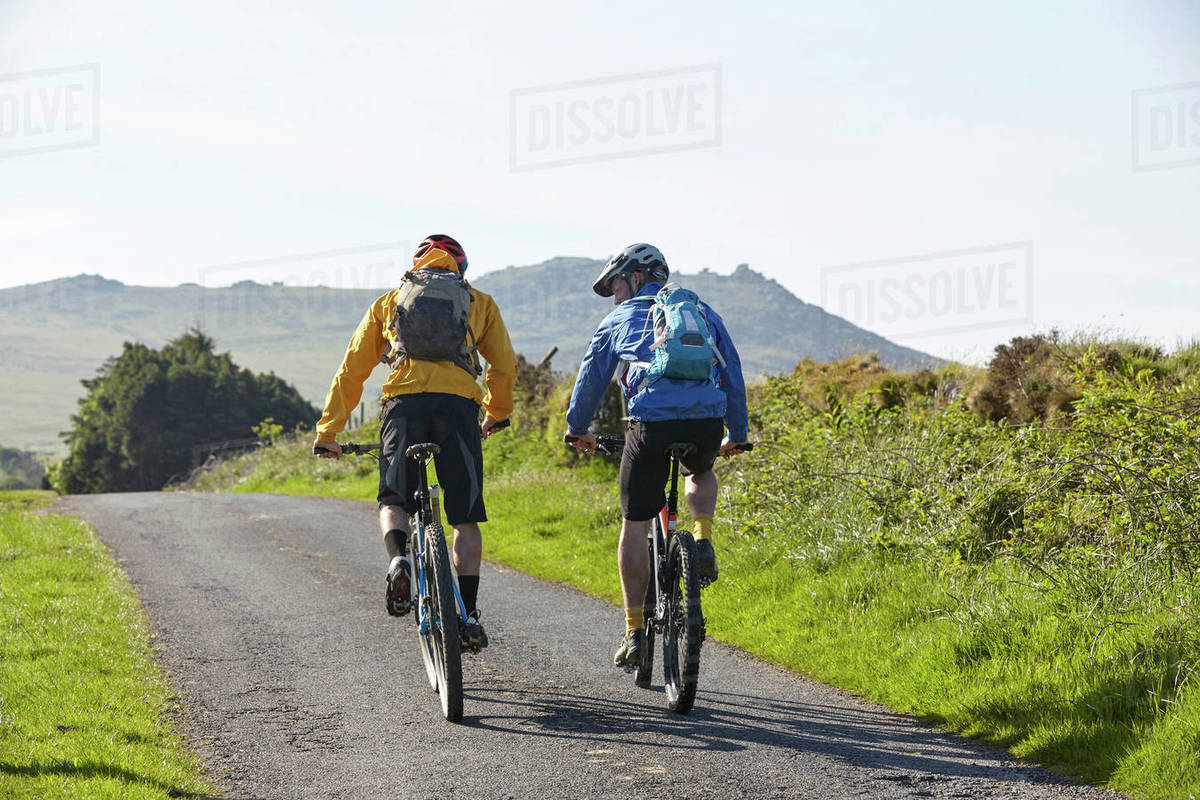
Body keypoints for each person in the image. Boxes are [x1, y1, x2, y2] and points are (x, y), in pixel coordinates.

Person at [313, 234, 517, 648]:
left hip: (403, 406)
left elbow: (351, 371)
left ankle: (400, 558)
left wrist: (329, 433)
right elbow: (504, 365)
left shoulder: (390, 302)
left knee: (393, 501)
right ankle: (468, 615)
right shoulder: (480, 303)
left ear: (415, 268)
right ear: (461, 269)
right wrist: (496, 413)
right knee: (464, 519)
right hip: (458, 410)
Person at [565, 242, 749, 669]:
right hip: (705, 421)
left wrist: (578, 429)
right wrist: (735, 433)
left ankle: (633, 630)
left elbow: (591, 377)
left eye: (616, 286)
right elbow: (732, 370)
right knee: (700, 469)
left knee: (634, 522)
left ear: (634, 278)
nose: (615, 297)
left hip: (649, 424)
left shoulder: (619, 318)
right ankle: (701, 539)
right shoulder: (701, 312)